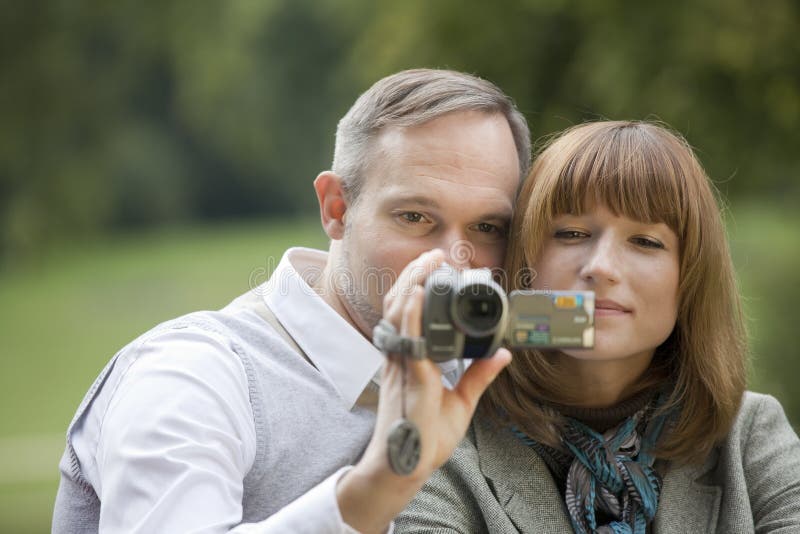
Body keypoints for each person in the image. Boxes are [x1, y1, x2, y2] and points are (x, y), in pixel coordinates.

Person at [52, 69, 532, 533]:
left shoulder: (485, 338)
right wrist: (380, 484)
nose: (452, 262)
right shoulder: (190, 374)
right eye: (414, 217)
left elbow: (597, 326)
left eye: (487, 228)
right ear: (336, 208)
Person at [396, 121, 800, 533]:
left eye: (645, 241)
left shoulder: (751, 435)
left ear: (691, 278)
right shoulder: (450, 434)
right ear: (524, 264)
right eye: (571, 234)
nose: (602, 267)